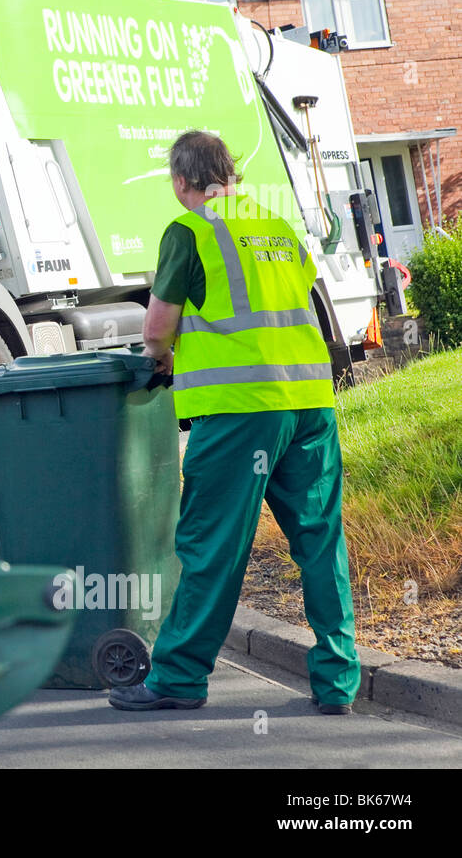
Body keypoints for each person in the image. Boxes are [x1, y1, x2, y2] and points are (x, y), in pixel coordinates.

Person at [109, 131, 360, 715]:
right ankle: (338, 682)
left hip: (239, 414)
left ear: (180, 182)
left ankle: (177, 678)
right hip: (310, 404)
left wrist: (165, 357)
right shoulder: (277, 226)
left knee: (212, 545)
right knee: (321, 541)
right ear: (230, 173)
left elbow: (155, 330)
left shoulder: (190, 231)